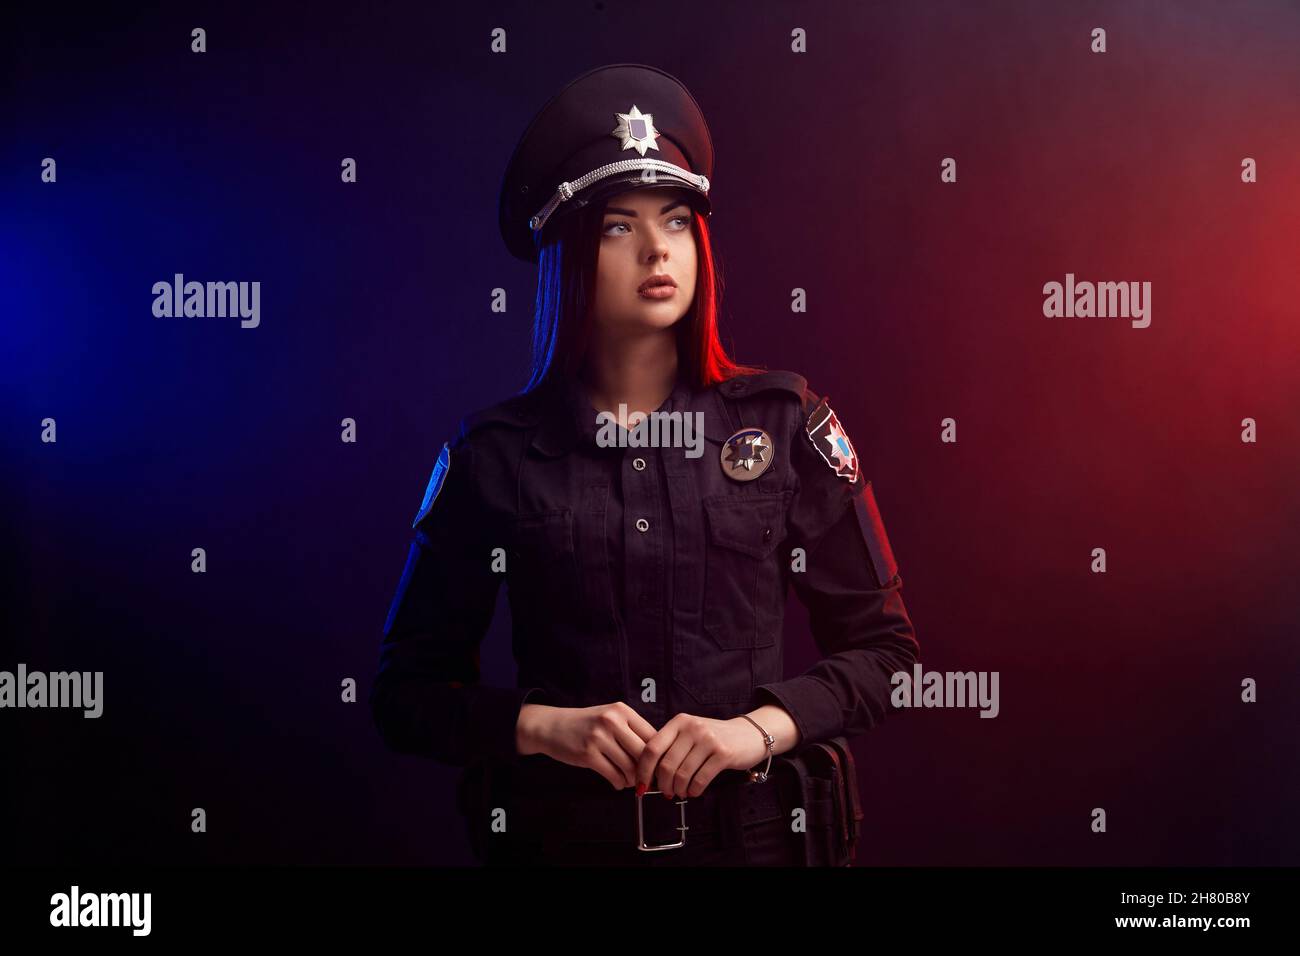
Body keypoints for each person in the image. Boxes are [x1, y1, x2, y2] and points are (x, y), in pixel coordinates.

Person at [369, 63, 920, 866]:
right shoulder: (493, 456)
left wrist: (752, 732)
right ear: (568, 254)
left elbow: (888, 656)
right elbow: (403, 695)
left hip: (756, 850)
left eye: (674, 219)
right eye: (619, 226)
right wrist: (540, 726)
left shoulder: (788, 424)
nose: (658, 249)